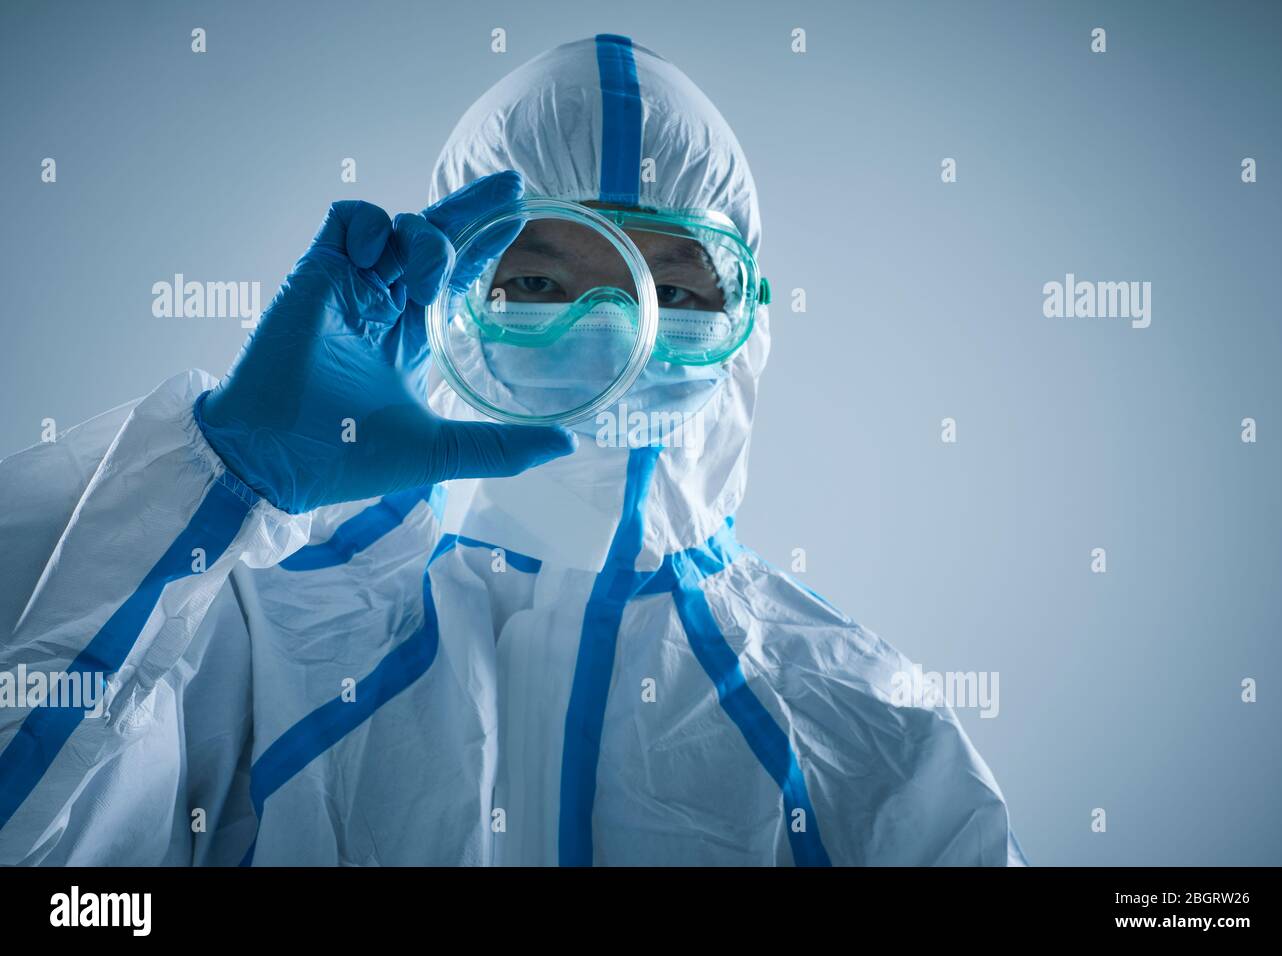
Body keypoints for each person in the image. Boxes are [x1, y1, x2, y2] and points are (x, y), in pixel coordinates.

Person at [0, 34, 1025, 865]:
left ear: (749, 321)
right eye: (535, 282)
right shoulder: (245, 639)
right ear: (452, 305)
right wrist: (219, 475)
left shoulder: (869, 730)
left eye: (679, 285)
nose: (615, 331)